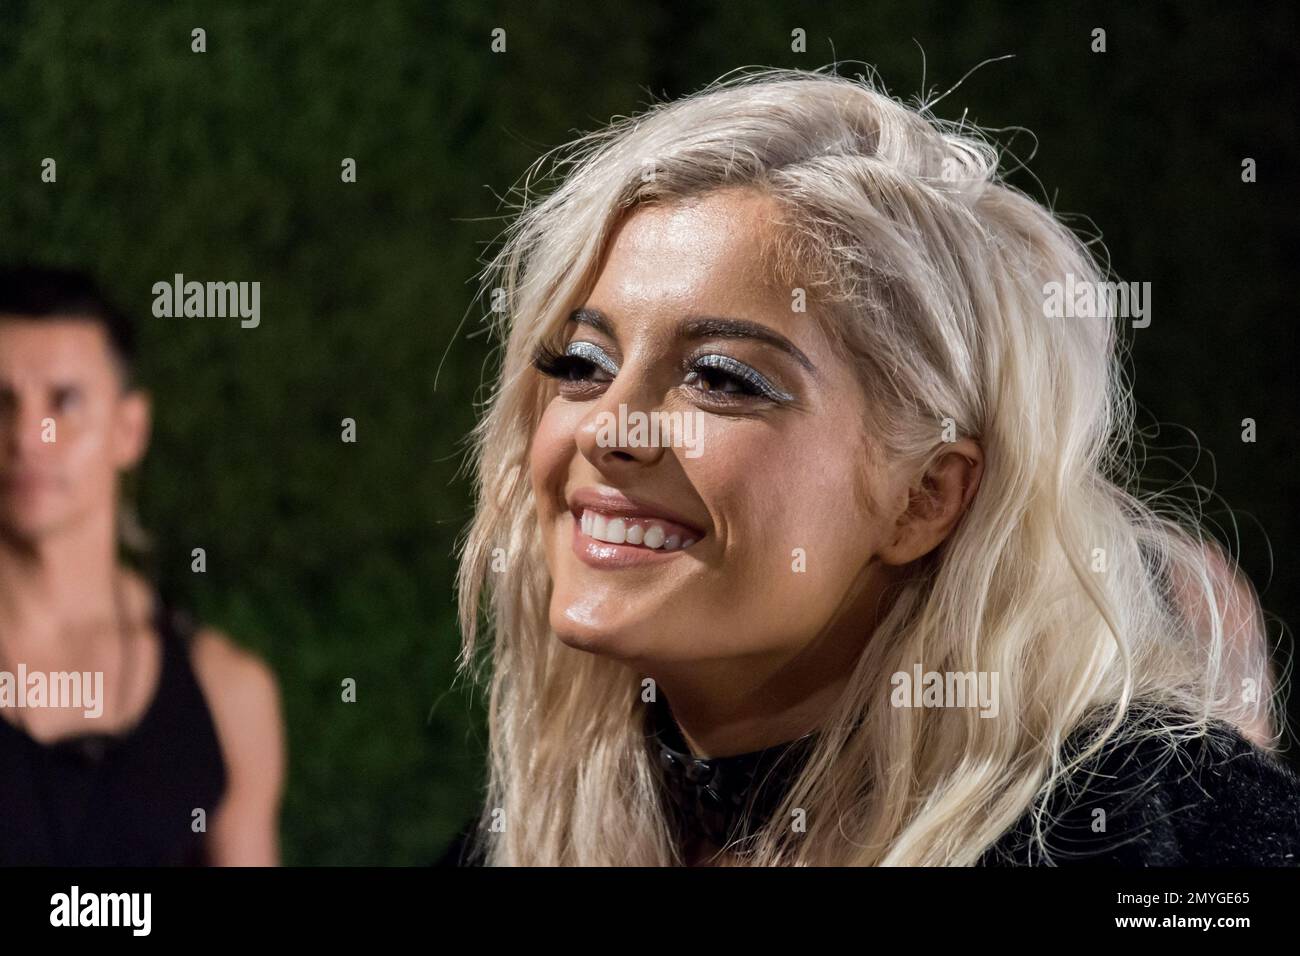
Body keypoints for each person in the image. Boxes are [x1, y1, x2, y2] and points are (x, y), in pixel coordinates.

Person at [442, 67, 1300, 866]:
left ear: (925, 497)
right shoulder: (528, 828)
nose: (605, 429)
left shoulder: (1175, 839)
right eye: (582, 363)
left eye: (720, 378)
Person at [0, 265, 285, 865]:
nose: (28, 435)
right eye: (1, 402)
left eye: (64, 400)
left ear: (128, 428)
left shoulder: (227, 694)